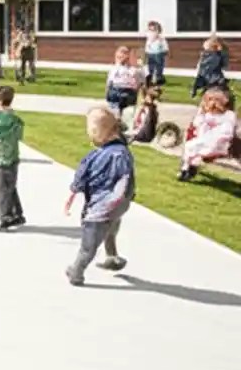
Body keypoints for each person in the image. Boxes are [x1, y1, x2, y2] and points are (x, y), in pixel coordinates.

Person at [64, 108, 135, 286]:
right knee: (111, 228)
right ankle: (111, 256)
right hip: (118, 204)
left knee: (89, 244)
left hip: (101, 207)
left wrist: (72, 195)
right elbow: (126, 179)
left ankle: (76, 271)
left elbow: (81, 178)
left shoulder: (97, 156)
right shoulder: (122, 151)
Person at [0, 86, 26, 232]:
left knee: (3, 189)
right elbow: (19, 136)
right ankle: (17, 213)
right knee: (11, 186)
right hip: (13, 155)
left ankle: (5, 217)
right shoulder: (16, 120)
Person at [178, 88, 237, 181]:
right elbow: (198, 123)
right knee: (191, 149)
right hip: (210, 143)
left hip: (216, 144)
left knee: (191, 148)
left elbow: (226, 131)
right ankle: (187, 170)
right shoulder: (213, 116)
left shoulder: (226, 116)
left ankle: (186, 169)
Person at [105, 46, 143, 122]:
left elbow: (109, 83)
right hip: (129, 94)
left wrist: (106, 94)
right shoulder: (134, 70)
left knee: (114, 112)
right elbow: (138, 85)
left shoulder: (114, 69)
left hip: (115, 92)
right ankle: (124, 122)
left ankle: (116, 119)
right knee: (128, 115)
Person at [144, 21, 169, 87]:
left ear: (158, 30)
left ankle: (159, 78)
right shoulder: (149, 39)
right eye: (150, 30)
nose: (152, 32)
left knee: (159, 67)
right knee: (151, 66)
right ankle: (152, 78)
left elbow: (164, 44)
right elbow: (147, 45)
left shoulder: (160, 38)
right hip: (151, 53)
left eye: (154, 30)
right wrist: (146, 51)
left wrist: (166, 50)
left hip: (159, 53)